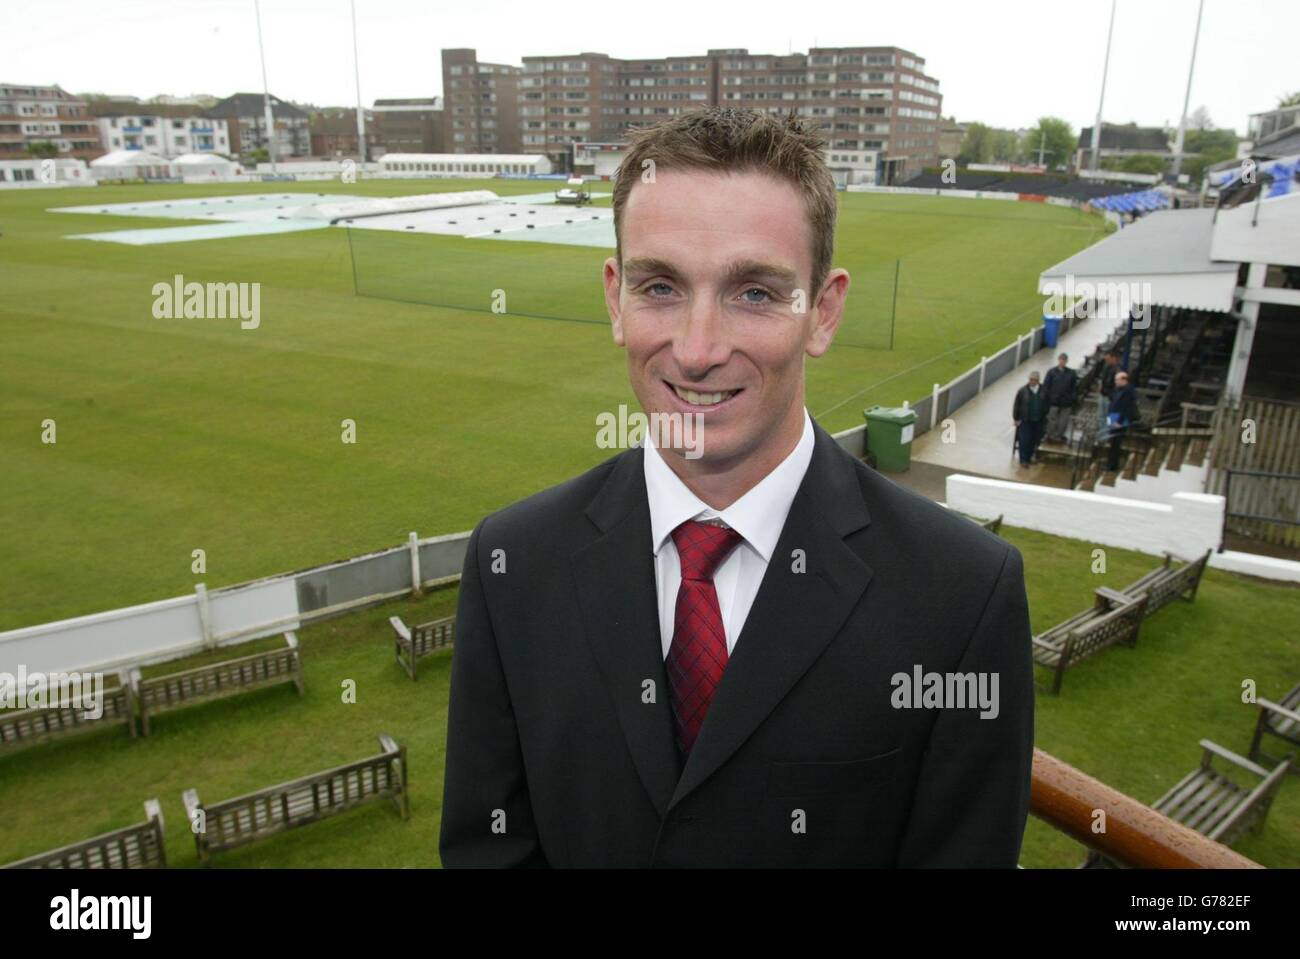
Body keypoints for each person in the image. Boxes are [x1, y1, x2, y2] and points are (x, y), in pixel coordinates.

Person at [439, 108, 1034, 868]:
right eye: (661, 286)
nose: (696, 349)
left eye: (754, 293)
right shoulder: (511, 563)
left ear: (823, 310)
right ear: (615, 298)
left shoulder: (962, 593)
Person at [1012, 371, 1048, 467]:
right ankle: (1023, 460)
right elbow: (1017, 405)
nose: (1032, 382)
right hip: (1025, 420)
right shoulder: (1022, 391)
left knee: (1034, 440)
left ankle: (1029, 457)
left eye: (1034, 380)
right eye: (1030, 379)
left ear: (1038, 381)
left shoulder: (1043, 390)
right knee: (1024, 440)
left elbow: (1047, 403)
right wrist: (1016, 418)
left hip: (1038, 420)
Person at [1106, 370, 1139, 471]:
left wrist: (1119, 422)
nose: (1115, 382)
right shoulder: (1118, 389)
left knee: (1116, 443)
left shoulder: (1129, 391)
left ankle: (1112, 465)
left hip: (1120, 420)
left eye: (1117, 380)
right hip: (1113, 417)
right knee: (1112, 442)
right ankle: (1110, 463)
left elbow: (1127, 408)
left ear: (1123, 380)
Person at [1042, 352, 1077, 444]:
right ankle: (1051, 435)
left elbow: (1074, 388)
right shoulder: (1051, 372)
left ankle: (1059, 435)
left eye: (1064, 360)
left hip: (1066, 402)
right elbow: (1046, 386)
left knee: (1063, 420)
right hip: (1054, 401)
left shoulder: (1071, 373)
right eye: (1061, 360)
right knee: (1052, 419)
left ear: (1066, 361)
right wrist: (1048, 398)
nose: (1062, 362)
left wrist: (1071, 398)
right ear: (1058, 360)